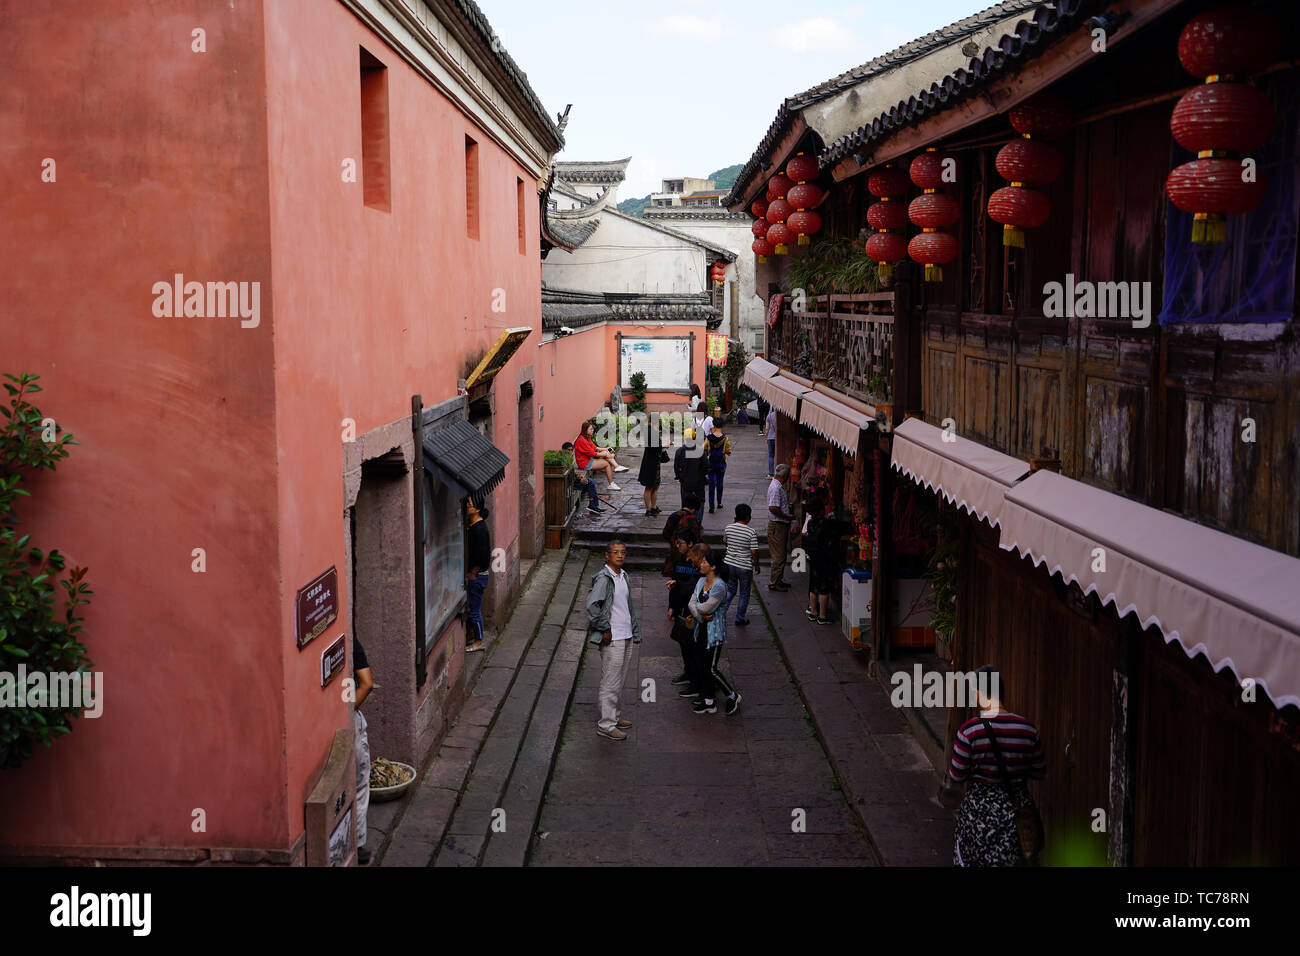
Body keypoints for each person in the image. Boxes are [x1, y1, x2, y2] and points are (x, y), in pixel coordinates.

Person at [942, 666, 1046, 867]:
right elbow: (1038, 771)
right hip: (1017, 813)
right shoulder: (1028, 730)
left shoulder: (969, 731)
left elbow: (957, 774)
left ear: (979, 693)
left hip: (978, 814)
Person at [586, 540, 641, 741]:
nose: (620, 555)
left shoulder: (623, 576)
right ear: (607, 556)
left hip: (625, 634)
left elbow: (628, 607)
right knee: (610, 681)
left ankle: (615, 717)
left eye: (623, 552)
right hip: (613, 637)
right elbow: (592, 607)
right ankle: (606, 725)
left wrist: (634, 632)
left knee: (620, 679)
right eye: (616, 552)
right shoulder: (604, 579)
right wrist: (604, 628)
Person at [687, 544, 740, 716]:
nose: (700, 564)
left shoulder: (719, 586)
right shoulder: (701, 581)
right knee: (702, 665)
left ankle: (732, 695)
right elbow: (692, 604)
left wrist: (698, 610)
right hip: (700, 629)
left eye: (704, 562)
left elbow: (705, 608)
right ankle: (709, 702)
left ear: (713, 566)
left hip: (714, 633)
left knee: (711, 668)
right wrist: (699, 613)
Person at [663, 534, 702, 695]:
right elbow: (675, 585)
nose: (678, 545)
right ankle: (689, 672)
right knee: (684, 642)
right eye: (677, 543)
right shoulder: (679, 561)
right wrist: (672, 607)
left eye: (681, 543)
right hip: (683, 608)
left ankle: (697, 681)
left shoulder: (699, 566)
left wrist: (679, 584)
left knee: (695, 647)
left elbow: (692, 586)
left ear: (691, 543)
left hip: (695, 610)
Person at [352, 635, 375, 864]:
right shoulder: (350, 641)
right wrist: (348, 709)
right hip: (350, 723)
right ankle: (357, 846)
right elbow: (367, 683)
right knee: (359, 783)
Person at [723, 503, 760, 626]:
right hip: (744, 566)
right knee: (744, 593)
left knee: (730, 590)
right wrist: (756, 565)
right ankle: (739, 618)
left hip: (729, 564)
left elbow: (725, 542)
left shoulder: (728, 527)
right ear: (748, 517)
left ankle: (721, 612)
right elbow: (754, 552)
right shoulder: (751, 532)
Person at [464, 494, 492, 652]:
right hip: (477, 575)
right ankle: (472, 636)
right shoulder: (474, 526)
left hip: (478, 576)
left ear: (477, 509)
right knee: (472, 609)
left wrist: (473, 572)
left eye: (470, 505)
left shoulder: (479, 530)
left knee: (474, 610)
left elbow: (482, 555)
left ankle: (479, 641)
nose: (467, 507)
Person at [803, 492, 837, 625]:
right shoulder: (826, 524)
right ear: (821, 510)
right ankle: (822, 616)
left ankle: (813, 612)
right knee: (824, 587)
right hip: (824, 558)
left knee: (813, 584)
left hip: (813, 557)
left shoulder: (811, 523)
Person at [574, 420, 627, 491]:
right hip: (584, 463)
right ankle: (612, 481)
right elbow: (592, 453)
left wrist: (606, 449)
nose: (593, 430)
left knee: (607, 456)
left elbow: (595, 448)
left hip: (588, 459)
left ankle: (616, 467)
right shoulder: (581, 440)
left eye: (592, 429)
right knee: (607, 464)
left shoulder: (587, 437)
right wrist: (605, 454)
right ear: (585, 430)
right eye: (591, 429)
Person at [766, 464, 794, 590]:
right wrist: (786, 516)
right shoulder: (776, 488)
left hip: (779, 525)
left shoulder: (777, 486)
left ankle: (778, 579)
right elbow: (773, 508)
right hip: (778, 525)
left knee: (781, 554)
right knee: (779, 556)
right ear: (785, 476)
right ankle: (774, 582)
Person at [673, 428, 708, 523]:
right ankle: (697, 521)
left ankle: (685, 521)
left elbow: (676, 467)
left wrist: (679, 477)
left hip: (685, 482)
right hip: (699, 482)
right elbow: (706, 466)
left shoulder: (680, 451)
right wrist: (702, 475)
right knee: (700, 501)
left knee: (685, 503)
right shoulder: (700, 451)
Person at [563, 441, 604, 517]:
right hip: (569, 484)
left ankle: (593, 505)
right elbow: (568, 475)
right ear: (563, 450)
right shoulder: (564, 461)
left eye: (571, 450)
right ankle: (593, 505)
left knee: (590, 483)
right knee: (590, 483)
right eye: (568, 450)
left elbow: (573, 473)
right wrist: (579, 480)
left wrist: (580, 477)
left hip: (573, 481)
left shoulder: (569, 459)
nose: (570, 452)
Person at [638, 423, 670, 517]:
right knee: (649, 486)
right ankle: (648, 509)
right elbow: (652, 447)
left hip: (655, 462)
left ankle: (654, 507)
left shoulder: (653, 431)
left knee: (655, 486)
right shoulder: (649, 431)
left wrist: (664, 445)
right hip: (650, 463)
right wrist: (664, 445)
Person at [704, 419, 732, 514]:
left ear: (714, 426)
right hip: (721, 463)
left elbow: (704, 448)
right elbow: (729, 451)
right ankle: (719, 502)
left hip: (711, 463)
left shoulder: (708, 438)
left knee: (711, 484)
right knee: (720, 484)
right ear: (722, 426)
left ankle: (711, 506)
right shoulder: (725, 438)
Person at [764, 406, 777, 477]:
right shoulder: (780, 416)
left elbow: (767, 428)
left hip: (770, 438)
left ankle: (771, 473)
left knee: (771, 456)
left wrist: (767, 437)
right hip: (778, 438)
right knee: (777, 455)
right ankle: (778, 473)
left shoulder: (769, 415)